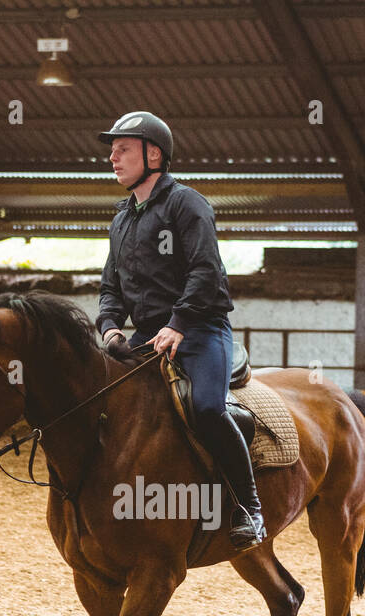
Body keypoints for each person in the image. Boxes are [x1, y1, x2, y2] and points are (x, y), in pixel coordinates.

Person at [95, 111, 267, 550]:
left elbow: (205, 272)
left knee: (207, 407)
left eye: (122, 149)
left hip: (199, 328)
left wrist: (178, 323)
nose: (112, 157)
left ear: (154, 154)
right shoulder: (121, 219)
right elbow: (110, 286)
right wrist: (111, 328)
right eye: (111, 151)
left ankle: (249, 507)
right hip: (145, 335)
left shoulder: (188, 204)